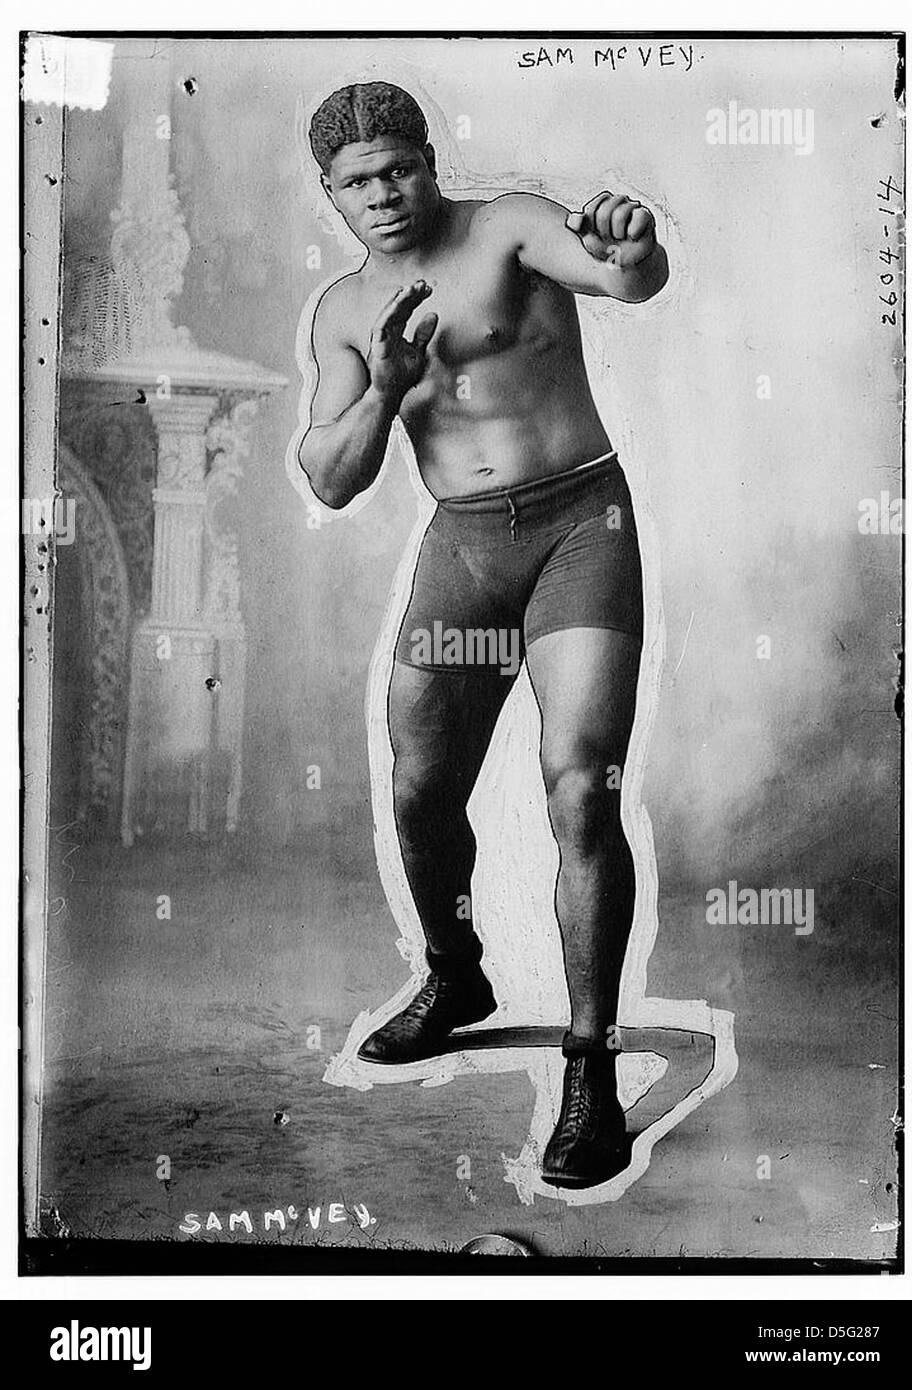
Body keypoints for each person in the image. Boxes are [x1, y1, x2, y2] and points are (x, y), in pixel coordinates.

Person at [299, 82, 668, 1188]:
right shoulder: (341, 312)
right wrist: (390, 390)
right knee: (418, 790)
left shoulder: (507, 224)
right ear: (331, 195)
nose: (384, 194)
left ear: (428, 158)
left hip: (578, 528)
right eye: (357, 181)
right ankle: (456, 974)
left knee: (578, 788)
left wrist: (635, 245)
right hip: (464, 544)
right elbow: (328, 477)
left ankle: (589, 1068)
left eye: (398, 167)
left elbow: (625, 277)